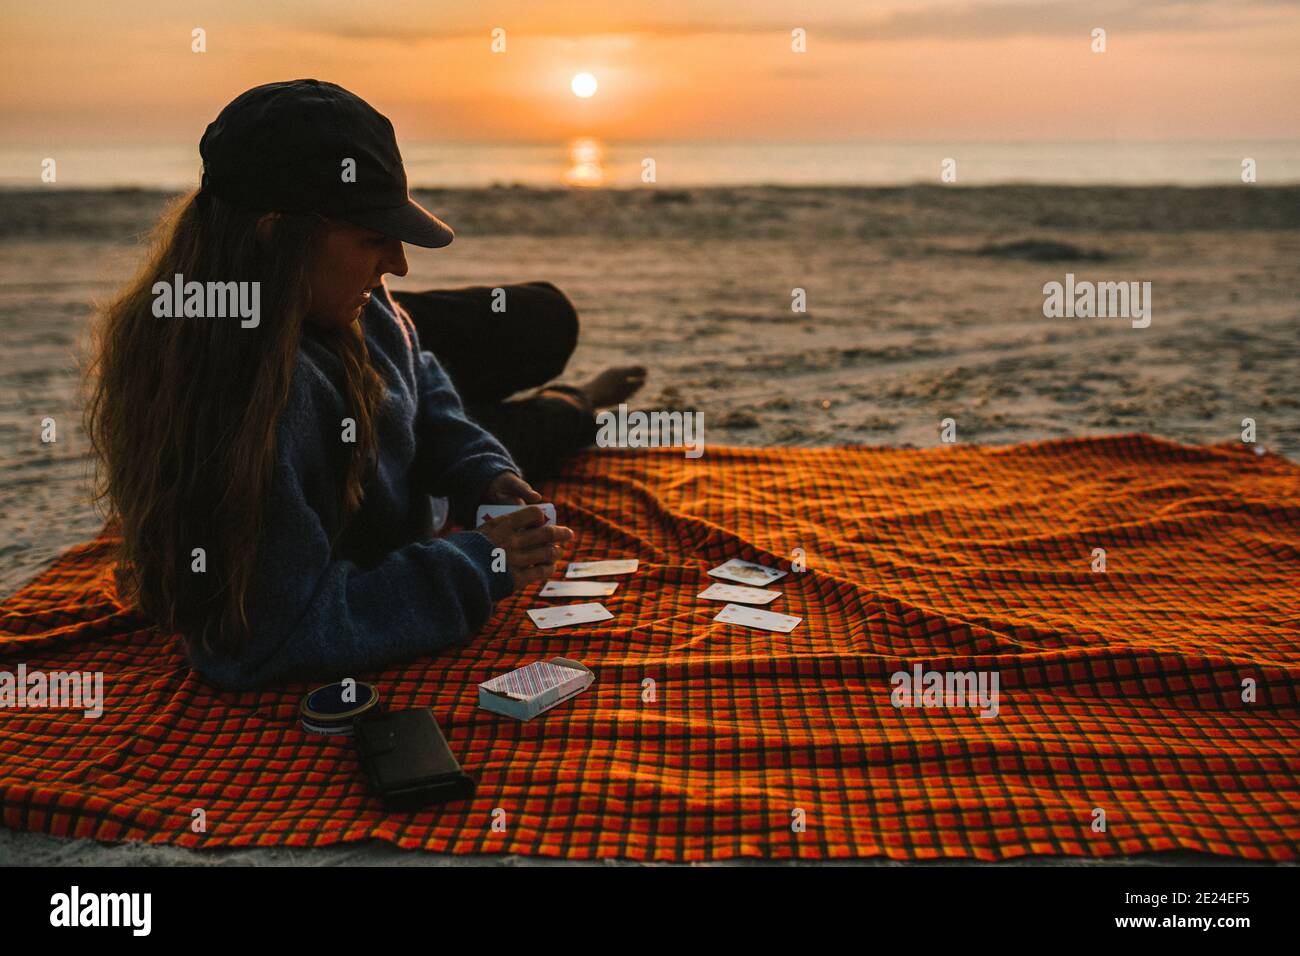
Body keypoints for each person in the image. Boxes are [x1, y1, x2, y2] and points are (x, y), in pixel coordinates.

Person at [82, 78, 641, 691]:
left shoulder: (341, 298)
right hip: (382, 469)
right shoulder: (247, 407)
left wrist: (477, 467)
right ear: (276, 235)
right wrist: (480, 561)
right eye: (374, 238)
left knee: (543, 317)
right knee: (544, 426)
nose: (399, 263)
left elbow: (421, 378)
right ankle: (583, 400)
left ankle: (525, 412)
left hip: (384, 436)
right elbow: (266, 642)